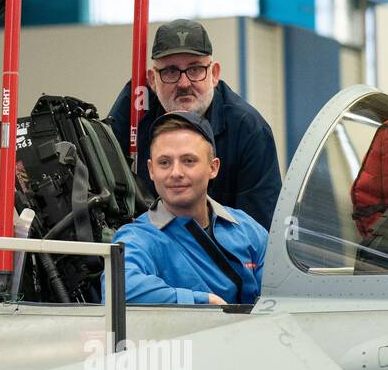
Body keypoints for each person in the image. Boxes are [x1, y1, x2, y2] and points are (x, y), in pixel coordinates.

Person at [107, 19, 281, 228]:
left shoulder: (249, 130)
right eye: (170, 71)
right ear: (152, 80)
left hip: (219, 253)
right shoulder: (135, 107)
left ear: (214, 74)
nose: (184, 83)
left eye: (195, 69)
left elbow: (259, 231)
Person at [109, 111, 267, 305]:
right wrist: (201, 302)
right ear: (151, 170)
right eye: (164, 162)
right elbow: (117, 290)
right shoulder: (138, 238)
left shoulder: (247, 229)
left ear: (213, 167)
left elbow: (281, 293)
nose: (176, 173)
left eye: (188, 161)